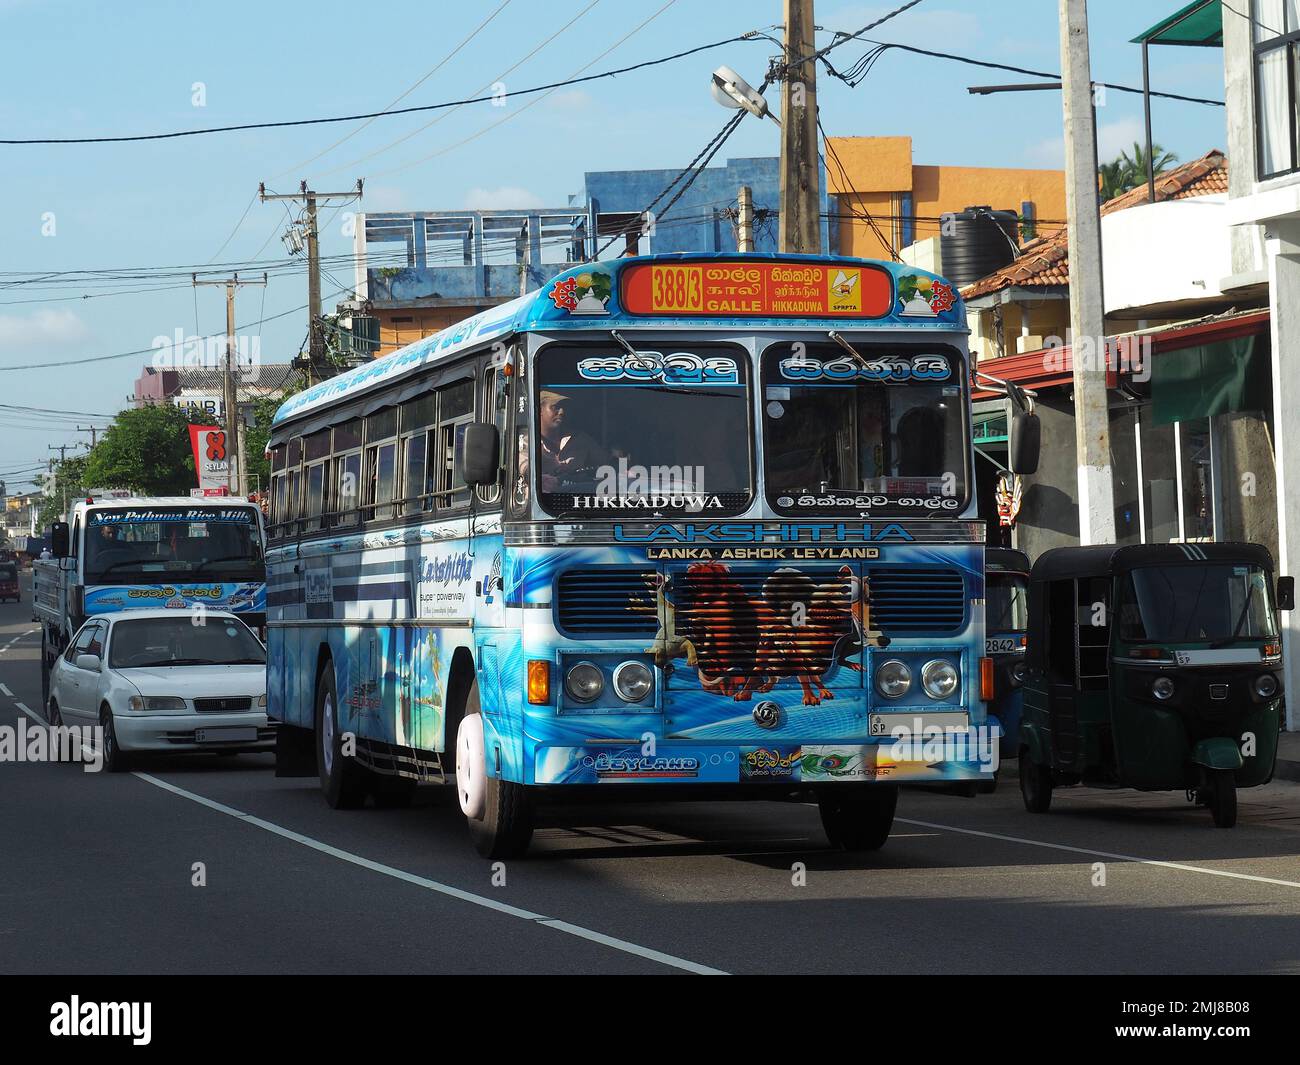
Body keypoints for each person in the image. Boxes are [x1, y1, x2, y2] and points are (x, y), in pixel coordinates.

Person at [536, 390, 611, 492]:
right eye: (555, 407)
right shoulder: (527, 441)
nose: (562, 412)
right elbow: (524, 469)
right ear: (539, 410)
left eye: (564, 407)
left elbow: (608, 464)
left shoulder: (580, 439)